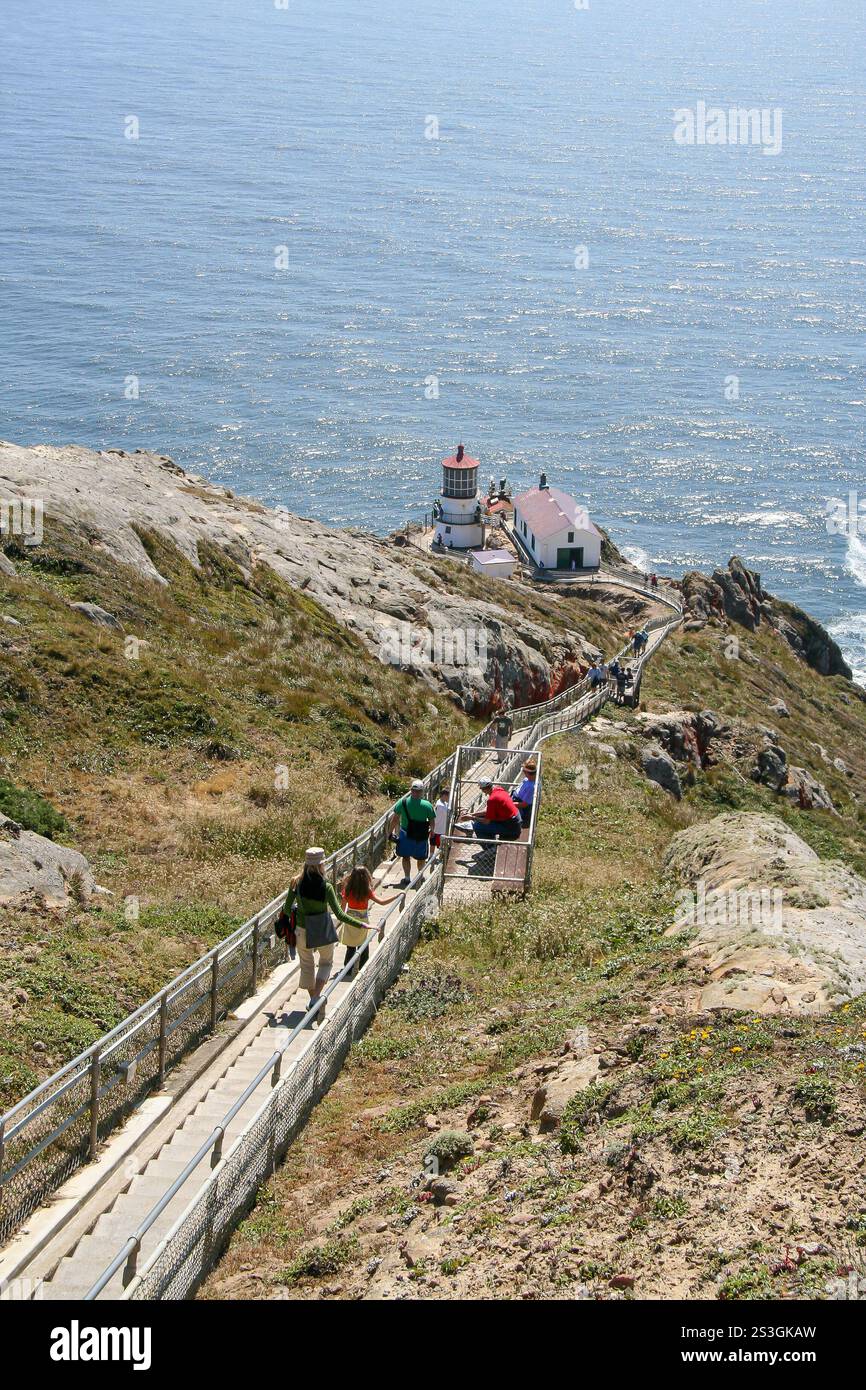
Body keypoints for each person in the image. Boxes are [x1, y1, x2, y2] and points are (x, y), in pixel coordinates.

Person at [283, 848, 366, 1023]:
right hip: (322, 929)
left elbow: (285, 908)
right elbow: (340, 914)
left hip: (301, 930)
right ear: (321, 865)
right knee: (326, 962)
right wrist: (362, 924)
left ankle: (314, 999)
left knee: (307, 965)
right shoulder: (326, 887)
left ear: (306, 864)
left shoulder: (295, 884)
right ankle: (316, 998)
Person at [339, 866, 400, 974]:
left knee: (351, 947)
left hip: (350, 921)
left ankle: (347, 970)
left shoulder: (347, 891)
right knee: (363, 944)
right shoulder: (367, 891)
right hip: (363, 921)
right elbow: (381, 902)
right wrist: (396, 896)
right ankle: (363, 968)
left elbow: (342, 909)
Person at [390, 779, 436, 885]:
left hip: (405, 834)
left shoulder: (403, 802)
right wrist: (432, 832)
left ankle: (407, 878)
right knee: (421, 858)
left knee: (405, 856)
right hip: (421, 835)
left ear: (411, 790)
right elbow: (432, 820)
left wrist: (390, 832)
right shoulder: (427, 805)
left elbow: (395, 819)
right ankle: (420, 876)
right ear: (422, 791)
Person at [514, 758, 537, 828]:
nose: (523, 772)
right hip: (515, 798)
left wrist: (508, 803)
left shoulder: (531, 787)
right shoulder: (527, 779)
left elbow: (524, 804)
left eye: (524, 771)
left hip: (520, 805)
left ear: (527, 773)